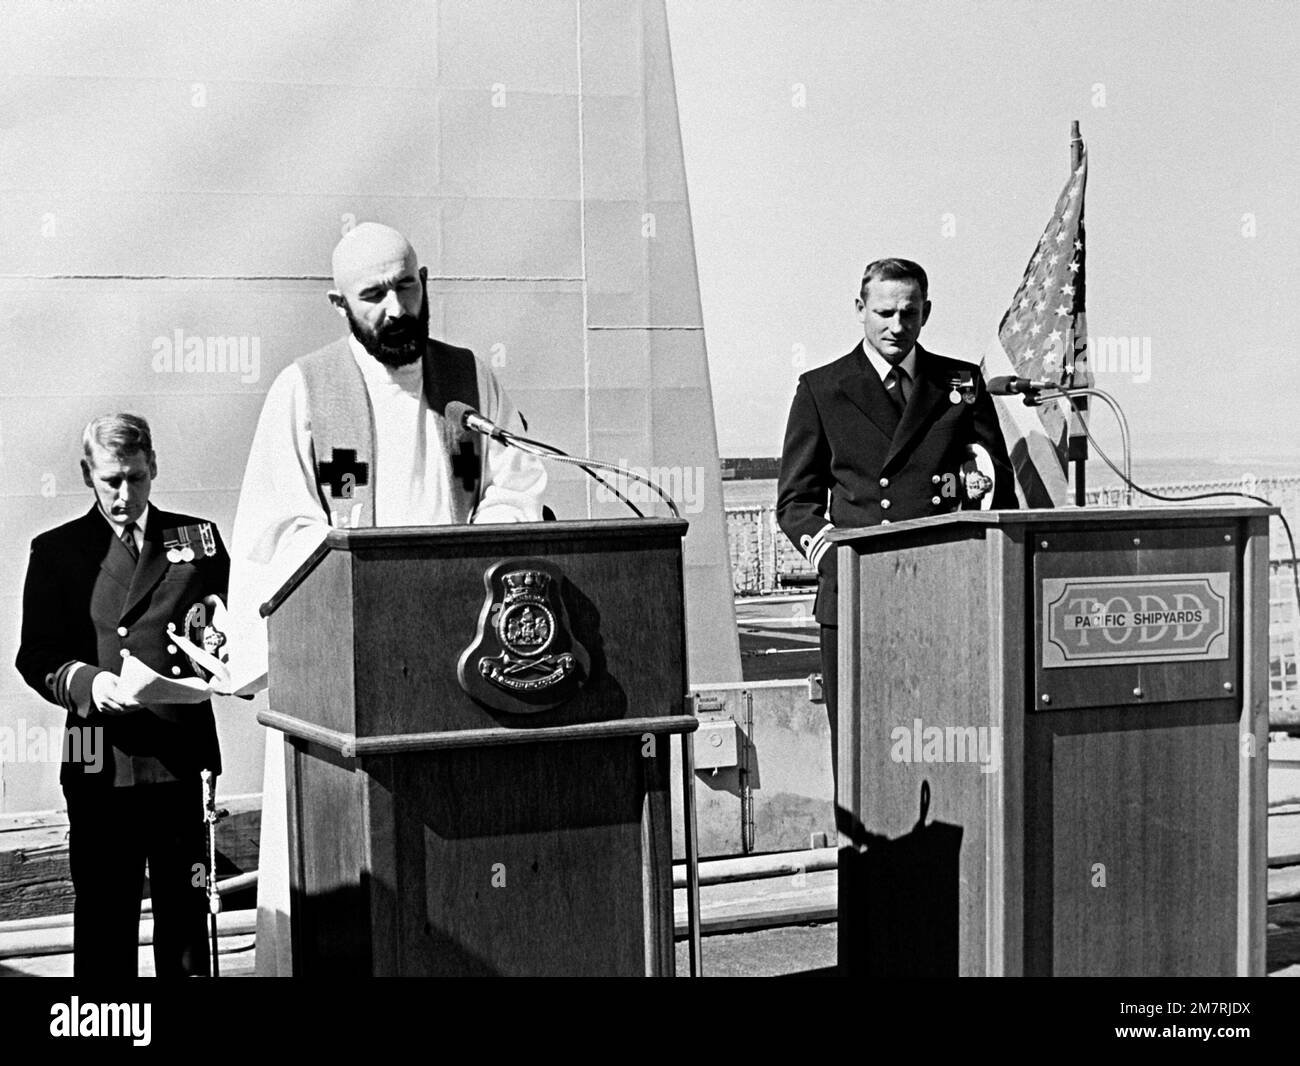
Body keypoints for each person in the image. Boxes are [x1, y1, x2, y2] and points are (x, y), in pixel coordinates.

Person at [226, 221, 546, 974]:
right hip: (346, 676)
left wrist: (460, 564)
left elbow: (518, 488)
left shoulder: (472, 380)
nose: (397, 307)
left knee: (454, 872)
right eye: (374, 295)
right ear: (339, 303)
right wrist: (372, 575)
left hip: (460, 665)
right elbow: (276, 530)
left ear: (426, 279)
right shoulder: (305, 389)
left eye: (407, 285)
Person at [776, 258, 1017, 783]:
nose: (896, 326)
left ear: (926, 313)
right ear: (860, 310)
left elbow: (997, 487)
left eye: (909, 313)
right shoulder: (822, 388)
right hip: (859, 598)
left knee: (948, 744)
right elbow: (796, 502)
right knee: (865, 754)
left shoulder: (960, 383)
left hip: (947, 595)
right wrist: (841, 558)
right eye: (884, 312)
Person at [15, 414, 229, 977]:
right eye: (111, 480)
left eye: (135, 477)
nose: (124, 493)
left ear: (153, 467)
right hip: (95, 754)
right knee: (105, 920)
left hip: (180, 756)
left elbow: (231, 633)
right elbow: (34, 655)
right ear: (88, 476)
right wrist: (89, 683)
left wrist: (223, 665)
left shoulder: (197, 541)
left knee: (186, 925)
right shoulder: (57, 551)